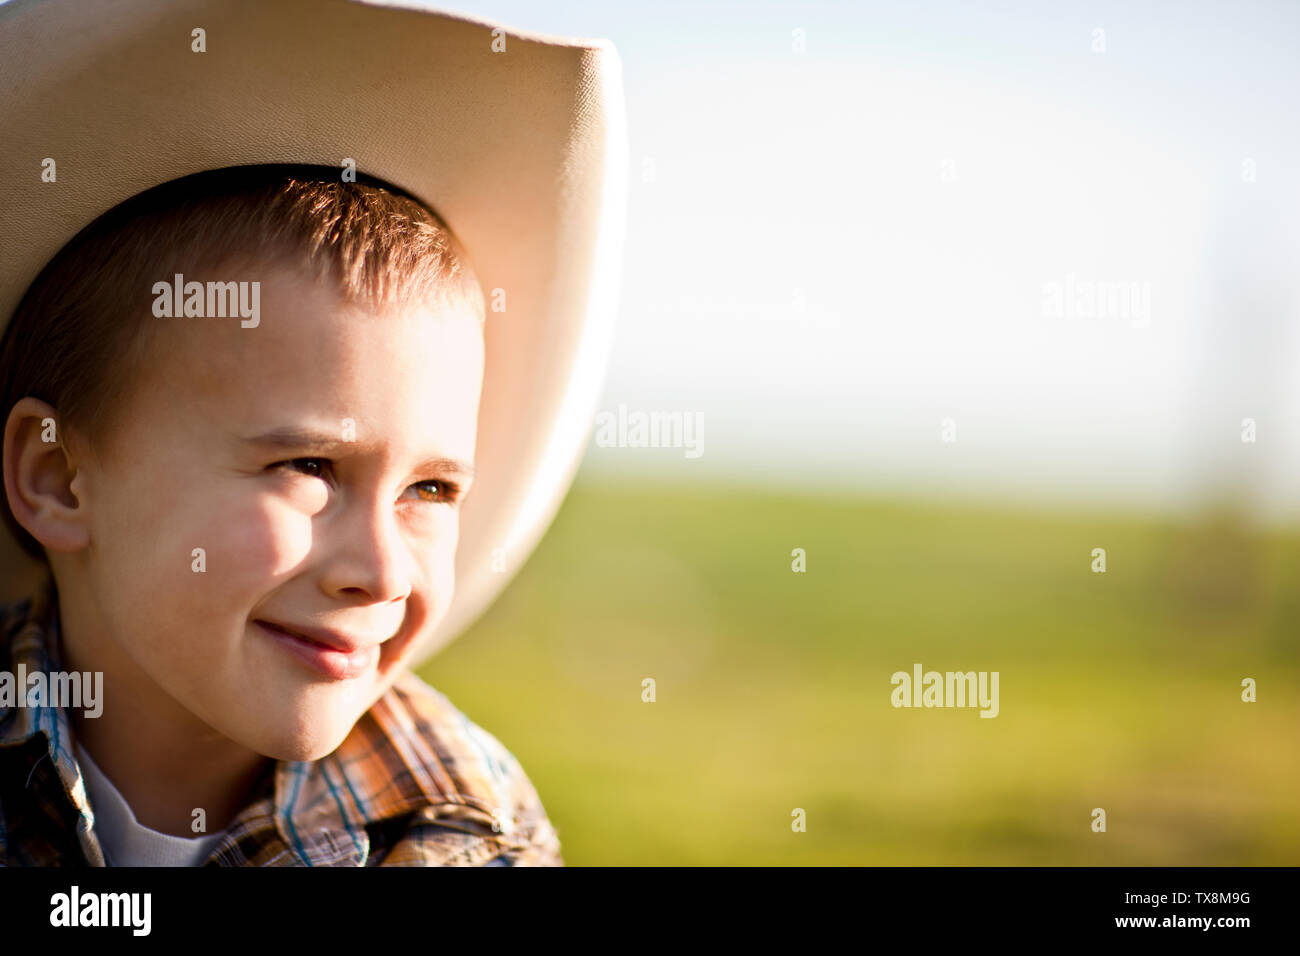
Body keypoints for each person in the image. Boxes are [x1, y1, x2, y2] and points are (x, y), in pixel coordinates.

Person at [0, 0, 626, 866]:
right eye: (309, 466)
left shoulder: (464, 830)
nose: (379, 572)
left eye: (431, 490)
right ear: (60, 476)